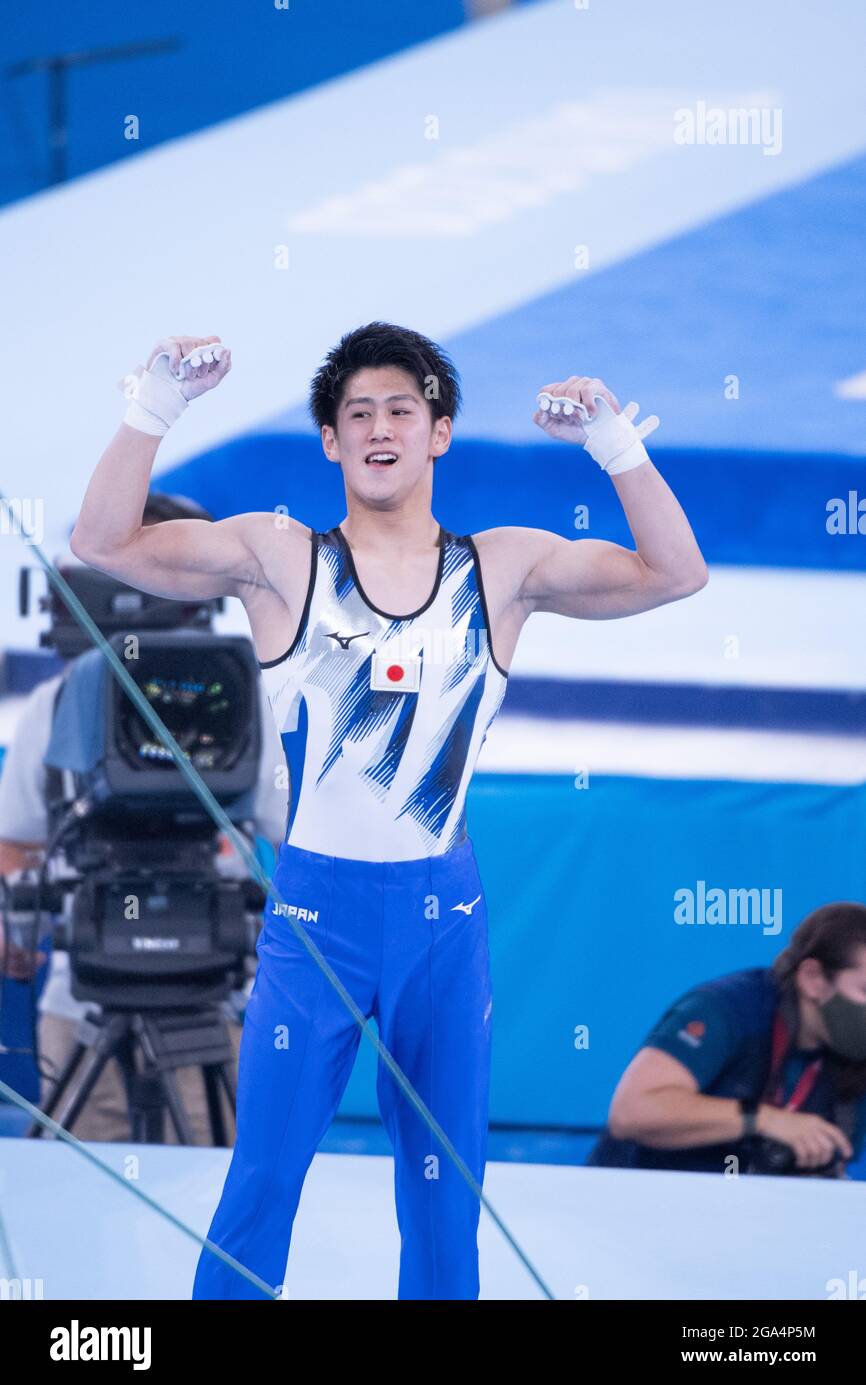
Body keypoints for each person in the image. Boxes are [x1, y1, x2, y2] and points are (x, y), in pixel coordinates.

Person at [69, 324, 708, 1299]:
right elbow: (101, 541)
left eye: (400, 409)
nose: (378, 427)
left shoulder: (502, 567)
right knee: (263, 1183)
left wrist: (615, 446)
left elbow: (675, 571)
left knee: (444, 1195)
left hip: (441, 925)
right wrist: (151, 408)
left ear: (438, 431)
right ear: (328, 439)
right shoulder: (279, 559)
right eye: (355, 412)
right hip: (316, 924)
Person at [0, 492, 288, 1144]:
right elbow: (12, 842)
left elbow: (295, 840)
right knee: (81, 1203)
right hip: (82, 1006)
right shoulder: (55, 701)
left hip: (214, 1006)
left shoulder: (243, 696)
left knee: (213, 1195)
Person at [586, 902, 866, 1178]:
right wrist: (765, 1120)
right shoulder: (730, 1011)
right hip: (628, 1207)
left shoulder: (853, 1053)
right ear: (812, 978)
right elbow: (631, 1111)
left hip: (746, 1213)